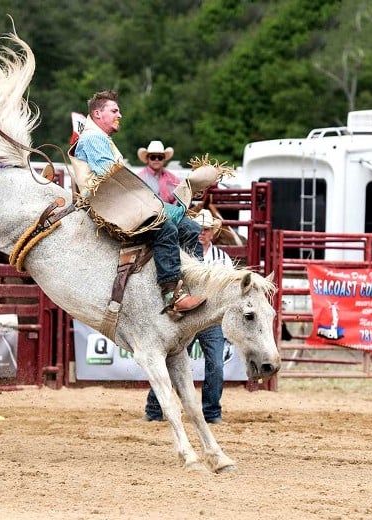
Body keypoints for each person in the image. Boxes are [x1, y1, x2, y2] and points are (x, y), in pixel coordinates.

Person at [72, 90, 205, 317]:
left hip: (123, 202)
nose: (119, 115)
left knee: (190, 228)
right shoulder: (93, 139)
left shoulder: (101, 139)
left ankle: (197, 281)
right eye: (114, 110)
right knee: (166, 229)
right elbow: (109, 176)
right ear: (97, 114)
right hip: (112, 207)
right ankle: (171, 294)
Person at [144, 209, 233, 423]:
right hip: (186, 315)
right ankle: (154, 409)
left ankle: (211, 412)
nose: (202, 233)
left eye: (206, 229)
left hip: (209, 317)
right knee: (169, 362)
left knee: (216, 365)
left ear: (213, 232)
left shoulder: (222, 258)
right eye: (200, 229)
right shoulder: (179, 252)